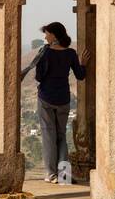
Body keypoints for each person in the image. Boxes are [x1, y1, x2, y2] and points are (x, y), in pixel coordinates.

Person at [21, 21, 90, 183]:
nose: (45, 36)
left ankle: (51, 174)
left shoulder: (45, 53)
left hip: (46, 98)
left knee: (48, 136)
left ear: (53, 35)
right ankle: (64, 175)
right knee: (61, 136)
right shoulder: (71, 53)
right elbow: (80, 76)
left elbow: (39, 77)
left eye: (47, 34)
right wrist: (83, 64)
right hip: (63, 99)